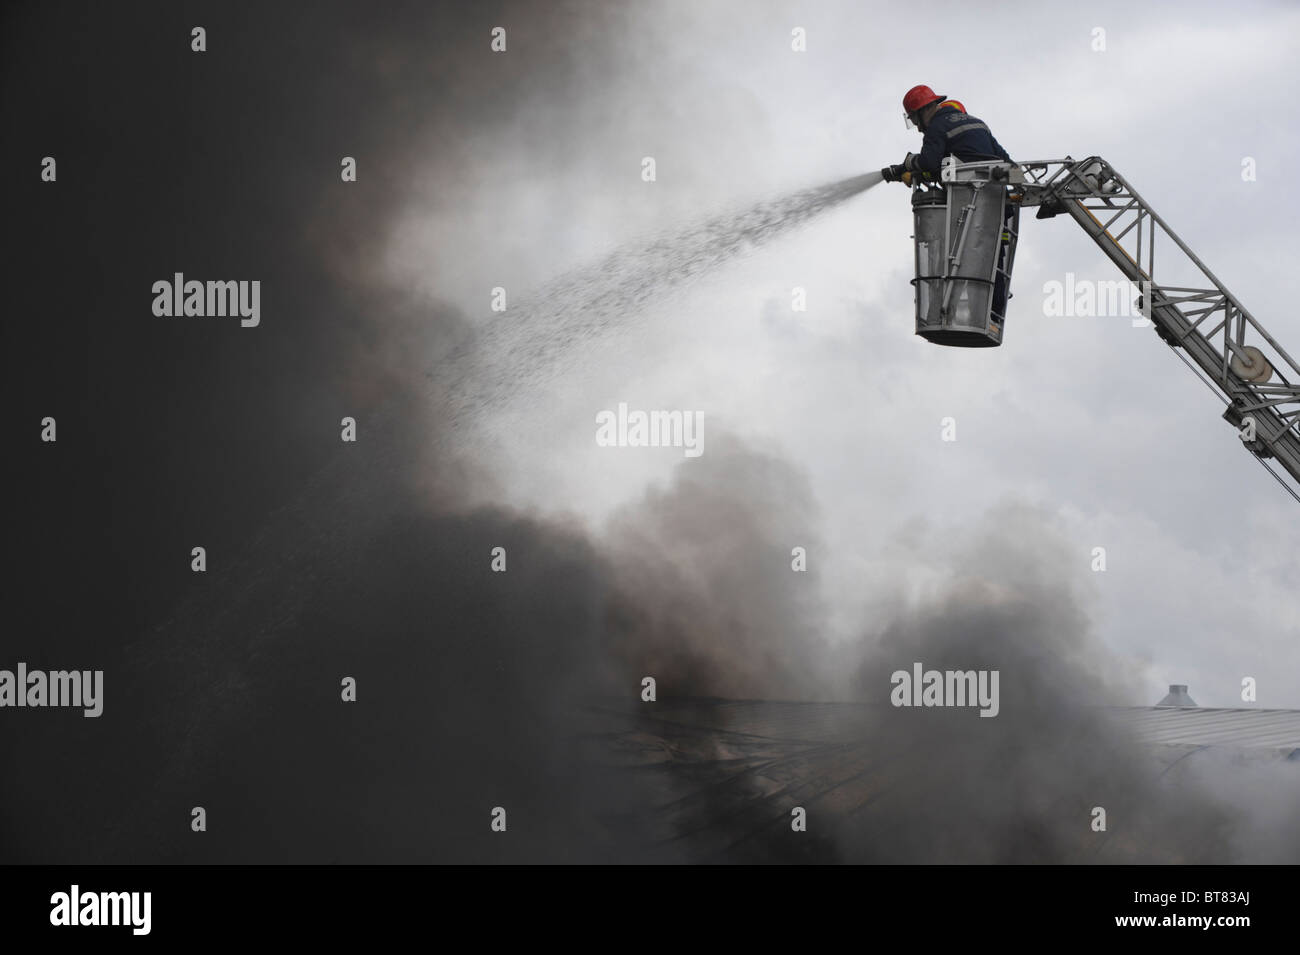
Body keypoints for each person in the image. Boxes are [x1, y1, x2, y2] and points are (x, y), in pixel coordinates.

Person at [886, 85, 1018, 324]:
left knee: (955, 261)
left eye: (915, 119)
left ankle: (945, 313)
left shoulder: (937, 125)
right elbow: (1007, 163)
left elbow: (929, 161)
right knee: (993, 261)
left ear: (923, 110)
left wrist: (907, 164)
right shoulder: (978, 123)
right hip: (999, 205)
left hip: (970, 206)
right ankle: (993, 316)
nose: (917, 127)